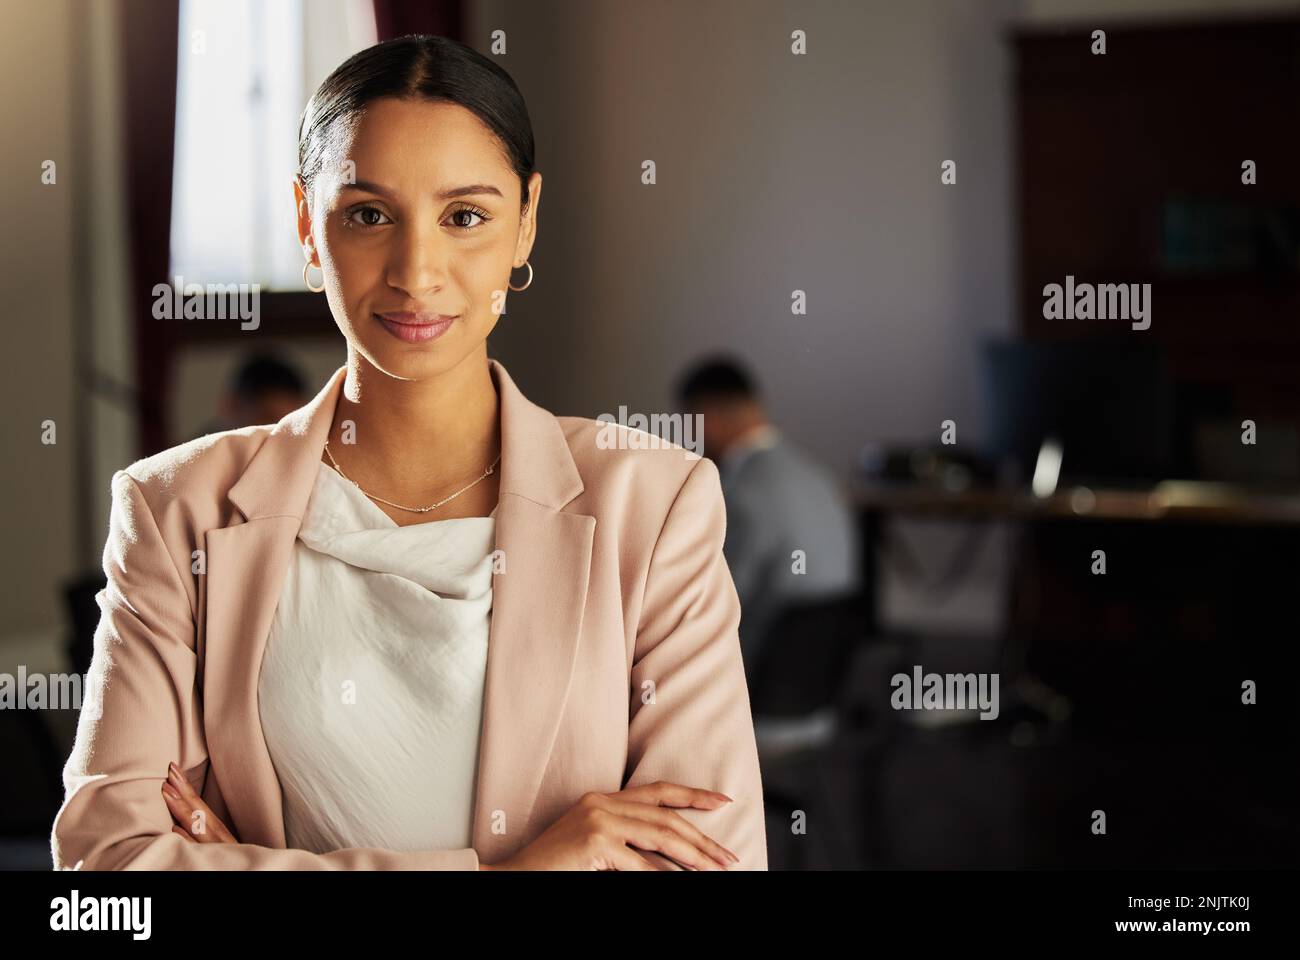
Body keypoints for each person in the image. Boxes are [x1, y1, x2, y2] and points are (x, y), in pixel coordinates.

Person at [51, 35, 765, 871]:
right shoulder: (175, 509)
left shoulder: (656, 504)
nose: (416, 271)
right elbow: (107, 874)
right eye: (367, 214)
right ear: (305, 227)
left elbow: (709, 858)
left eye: (465, 217)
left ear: (525, 223)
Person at [678, 356, 862, 674]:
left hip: (756, 681)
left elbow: (720, 604)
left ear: (706, 415)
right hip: (820, 683)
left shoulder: (741, 492)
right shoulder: (819, 478)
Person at [190, 353, 309, 439]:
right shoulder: (188, 466)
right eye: (268, 420)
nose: (283, 435)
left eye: (296, 425)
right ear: (231, 406)